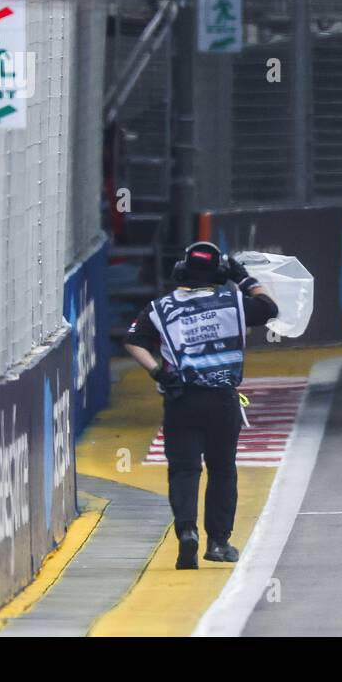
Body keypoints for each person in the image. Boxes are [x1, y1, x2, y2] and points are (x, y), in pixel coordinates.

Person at [124, 242, 279, 569]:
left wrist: (157, 371)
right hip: (222, 401)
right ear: (220, 274)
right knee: (222, 469)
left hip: (181, 399)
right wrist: (244, 277)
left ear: (181, 270)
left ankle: (187, 531)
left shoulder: (160, 307)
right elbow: (268, 307)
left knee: (184, 468)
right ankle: (219, 543)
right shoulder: (234, 301)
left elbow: (133, 340)